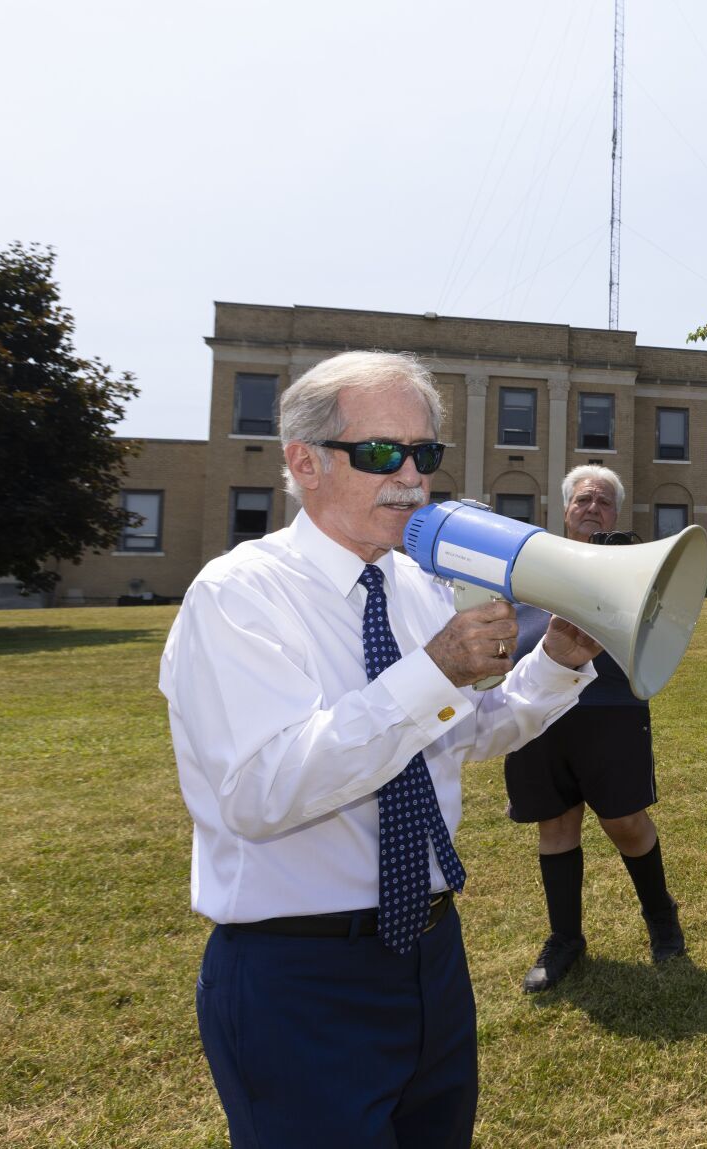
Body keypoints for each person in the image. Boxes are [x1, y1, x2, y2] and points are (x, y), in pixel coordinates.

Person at [161, 351, 602, 1148]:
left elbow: (468, 731)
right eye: (379, 452)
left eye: (424, 452)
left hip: (430, 952)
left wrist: (557, 662)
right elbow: (261, 792)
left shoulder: (418, 586)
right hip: (299, 974)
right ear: (305, 463)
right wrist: (432, 671)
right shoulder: (237, 596)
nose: (410, 476)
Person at [504, 465, 687, 994]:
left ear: (617, 514)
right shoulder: (532, 566)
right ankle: (565, 938)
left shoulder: (634, 567)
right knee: (555, 824)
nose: (592, 508)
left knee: (624, 821)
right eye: (583, 500)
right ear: (564, 510)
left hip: (611, 707)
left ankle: (660, 915)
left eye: (604, 502)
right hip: (538, 710)